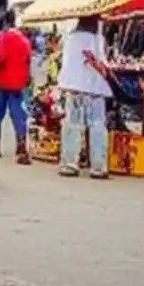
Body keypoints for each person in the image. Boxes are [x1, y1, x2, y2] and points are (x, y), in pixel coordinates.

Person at [56, 15, 112, 178]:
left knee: (72, 124)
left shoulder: (70, 38)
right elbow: (100, 62)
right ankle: (98, 167)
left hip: (73, 86)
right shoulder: (96, 38)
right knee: (97, 126)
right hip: (94, 88)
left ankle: (69, 163)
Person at [0, 12, 33, 164]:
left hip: (1, 82)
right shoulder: (24, 40)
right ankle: (20, 146)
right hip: (17, 83)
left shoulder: (3, 37)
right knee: (18, 113)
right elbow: (27, 61)